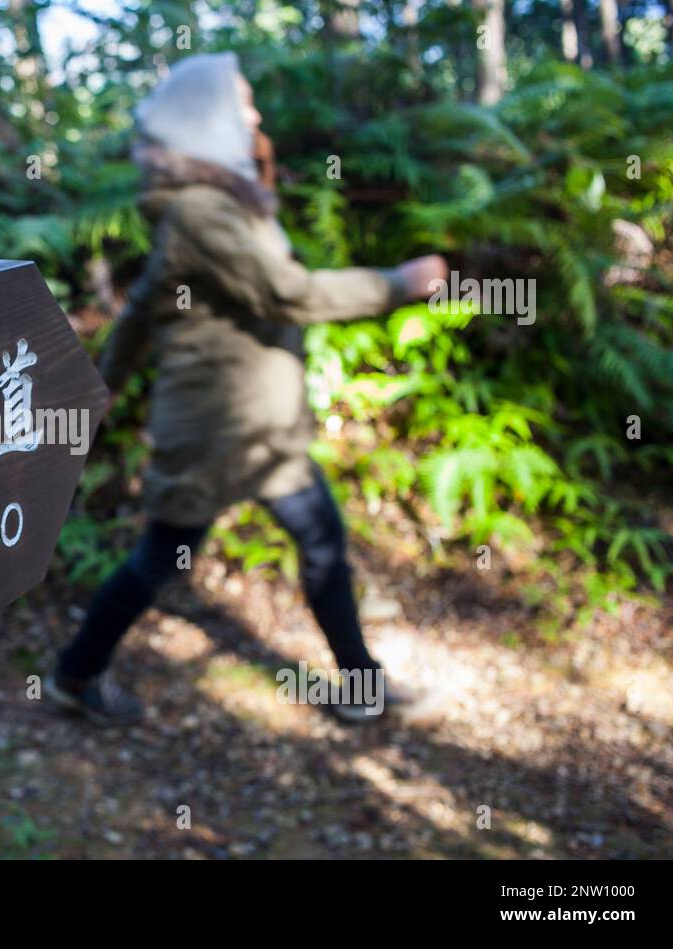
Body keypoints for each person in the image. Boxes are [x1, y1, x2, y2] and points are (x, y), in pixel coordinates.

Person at [48, 52, 448, 726]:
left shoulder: (215, 205)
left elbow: (143, 309)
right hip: (216, 433)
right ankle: (75, 673)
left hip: (260, 430)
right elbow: (286, 292)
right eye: (244, 103)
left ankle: (361, 685)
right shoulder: (201, 212)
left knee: (320, 540)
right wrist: (397, 283)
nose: (256, 115)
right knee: (160, 559)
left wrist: (99, 389)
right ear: (208, 121)